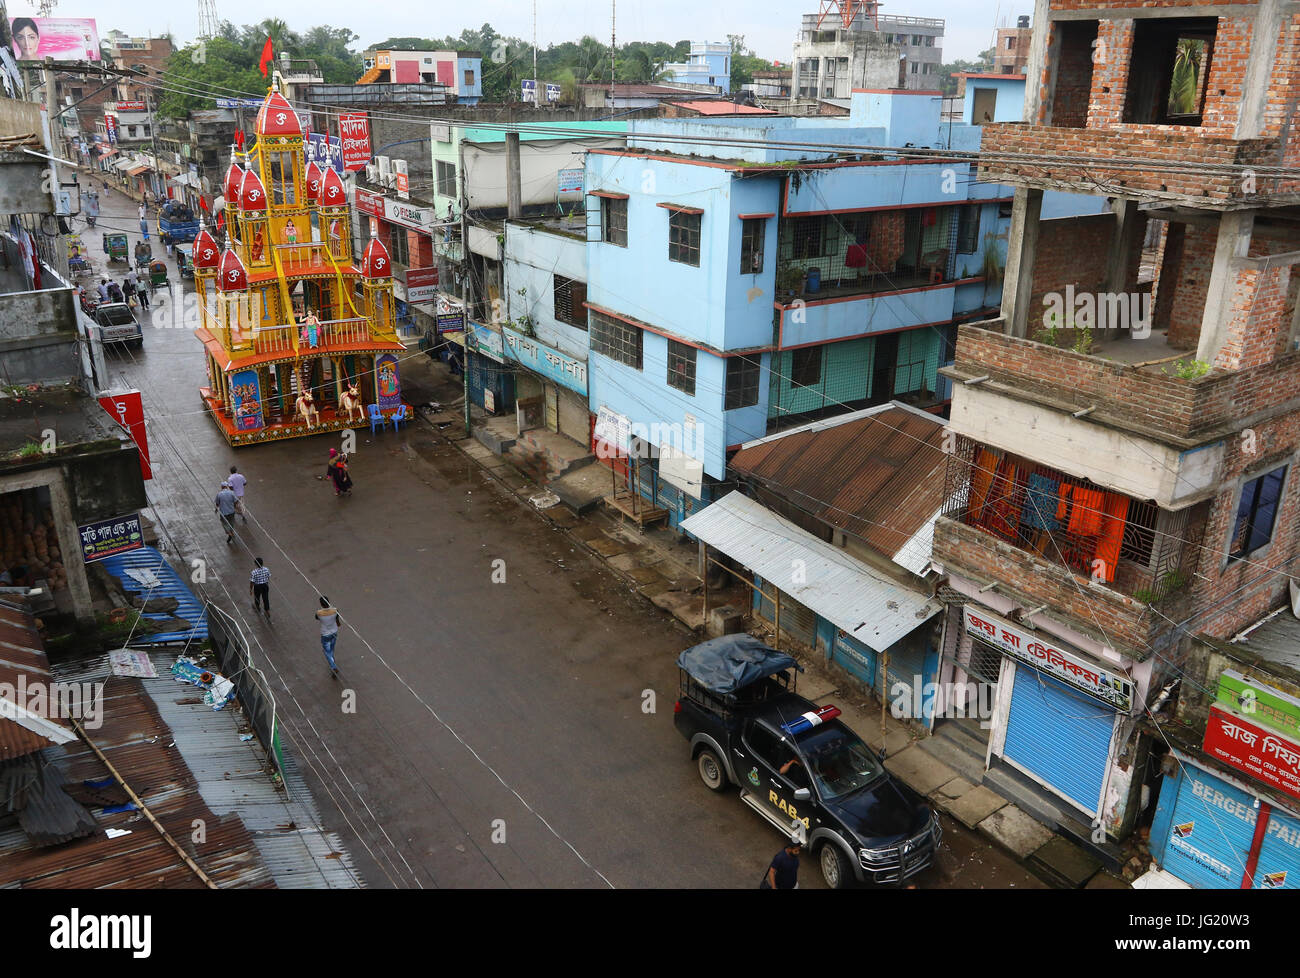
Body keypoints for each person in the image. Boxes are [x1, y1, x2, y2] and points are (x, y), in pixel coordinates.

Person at [315, 596, 341, 678]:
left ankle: (333, 666)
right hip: (334, 632)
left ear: (321, 604)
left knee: (326, 651)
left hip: (325, 634)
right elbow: (337, 619)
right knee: (331, 649)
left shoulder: (319, 613)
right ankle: (332, 663)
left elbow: (317, 618)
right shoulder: (335, 610)